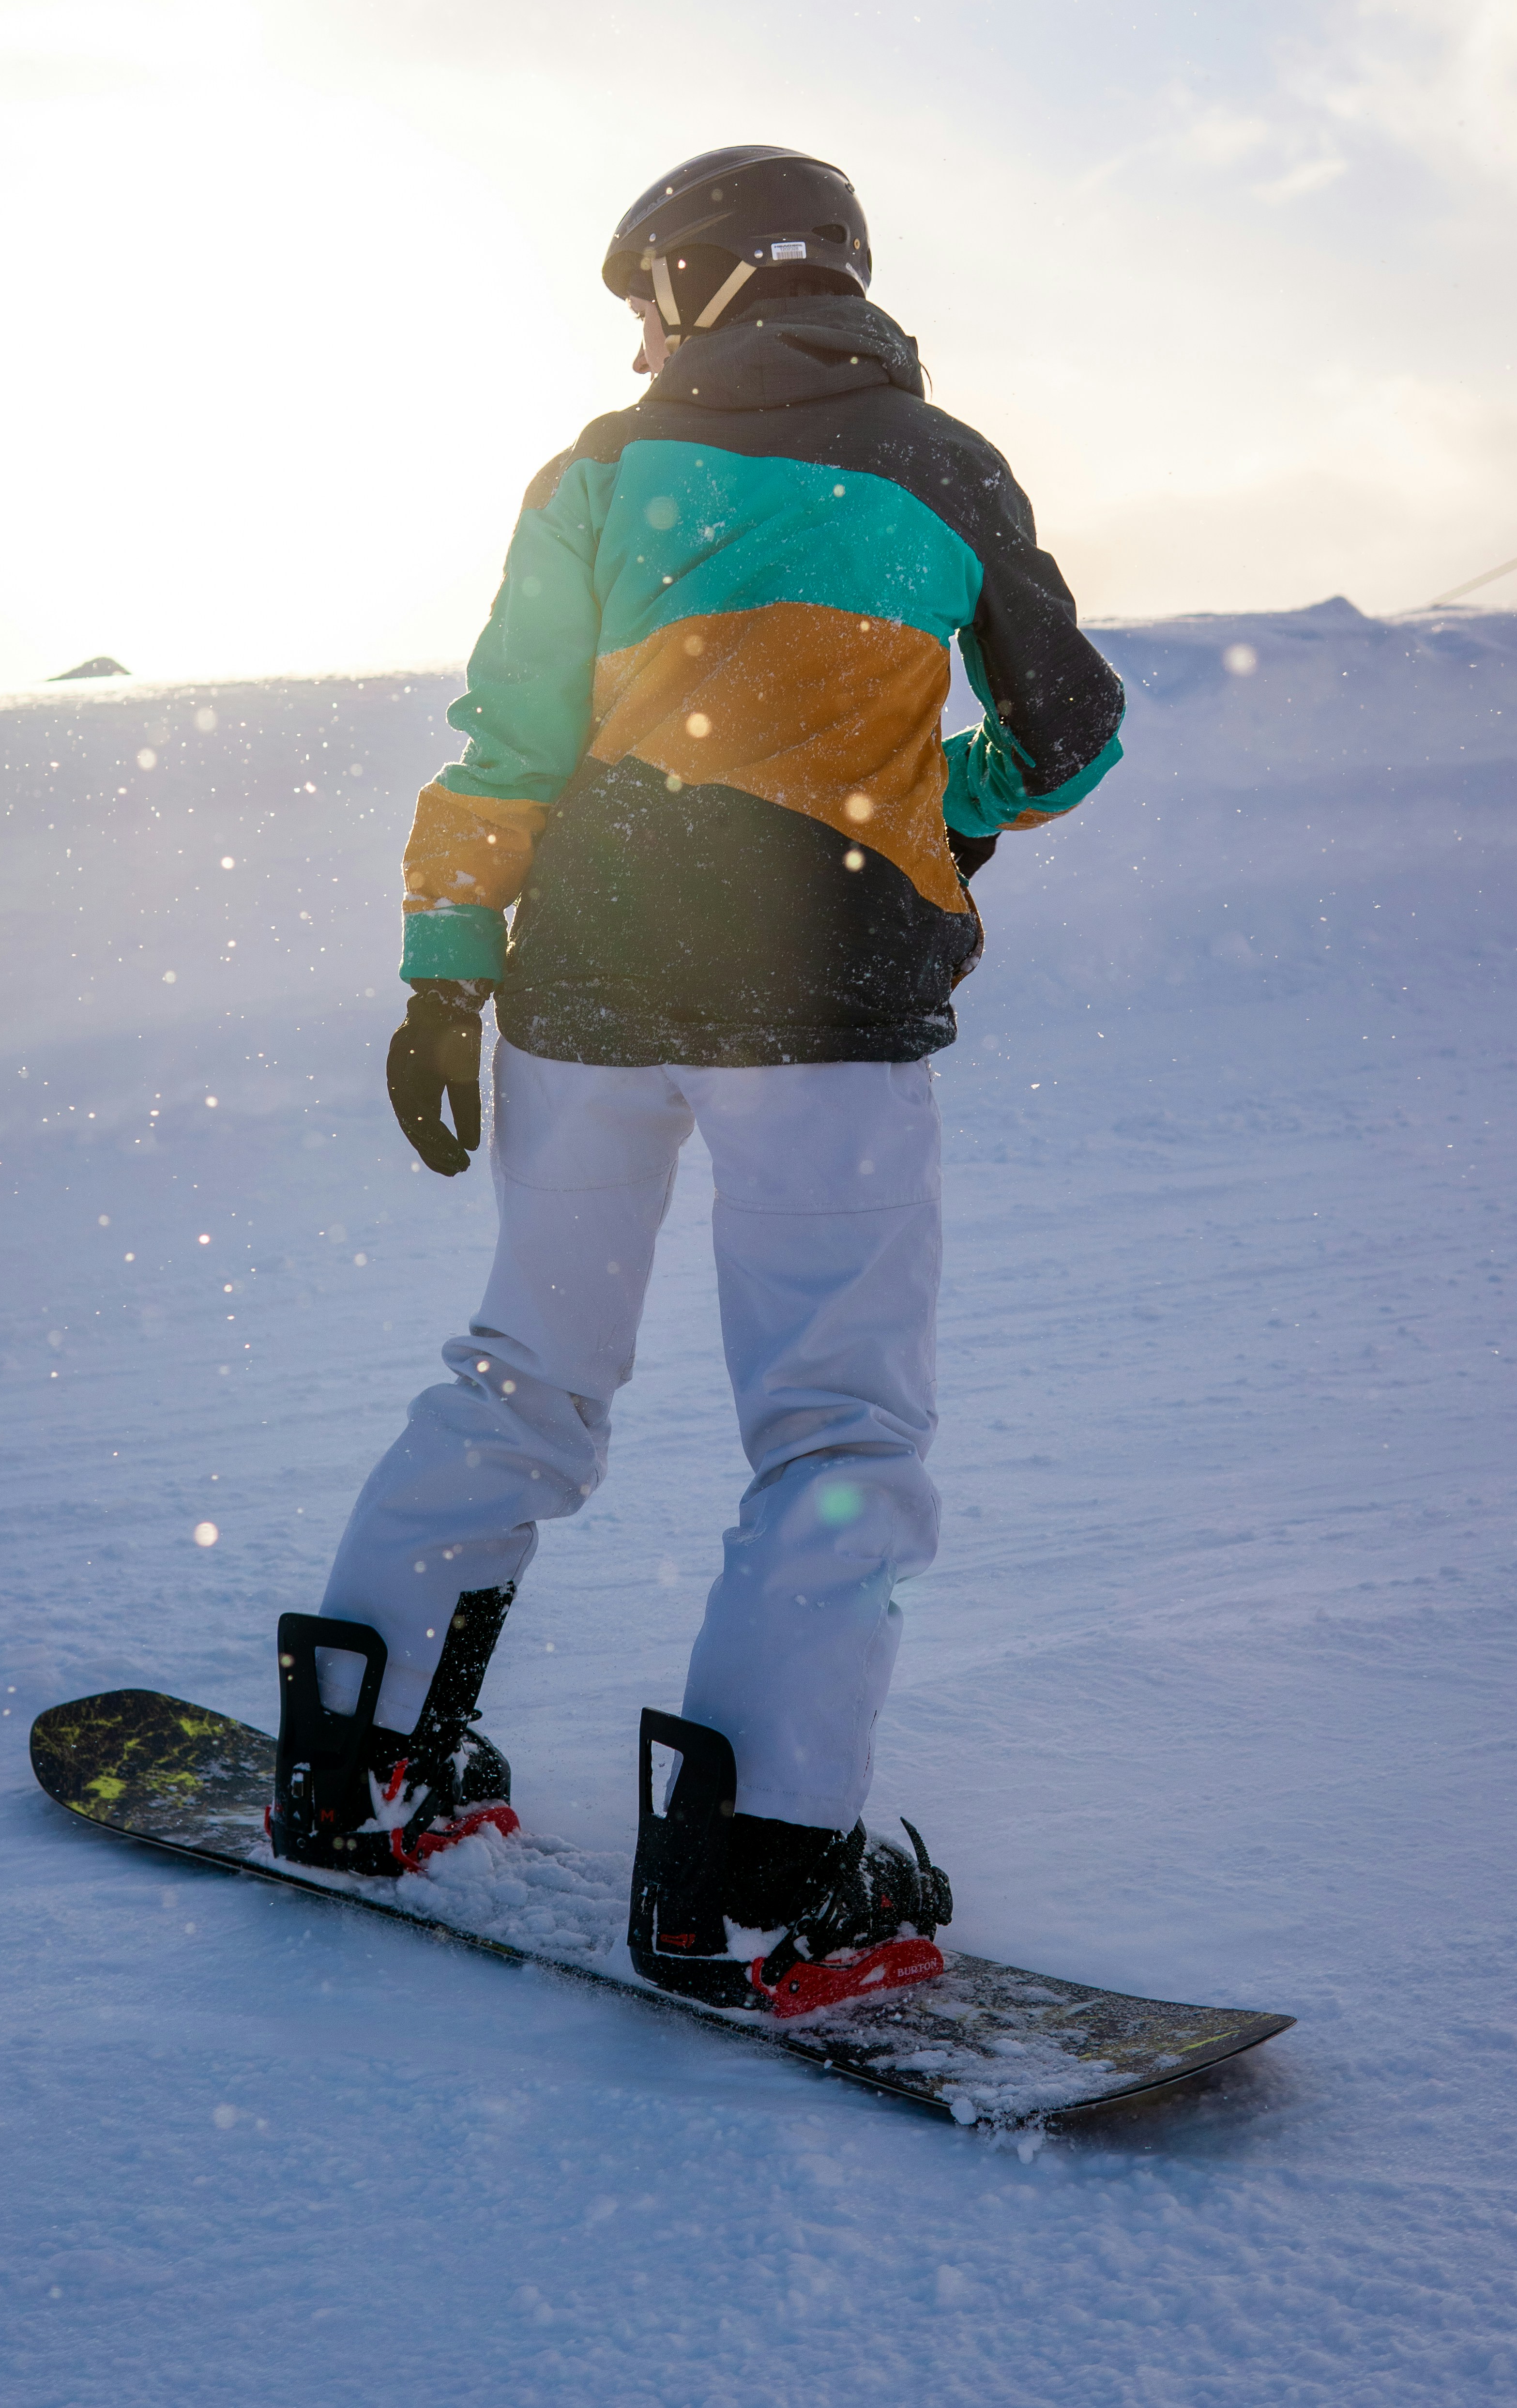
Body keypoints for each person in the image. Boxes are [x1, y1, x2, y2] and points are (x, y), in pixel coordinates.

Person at [269, 146, 1124, 2012]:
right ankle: (749, 1885)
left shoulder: (595, 469)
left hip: (582, 989)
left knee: (524, 1373)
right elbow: (1070, 732)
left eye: (652, 290)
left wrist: (441, 980)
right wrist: (926, 817)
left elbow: (507, 738)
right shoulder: (946, 463)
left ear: (719, 280)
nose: (644, 329)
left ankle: (359, 1765)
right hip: (819, 1005)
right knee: (833, 1438)